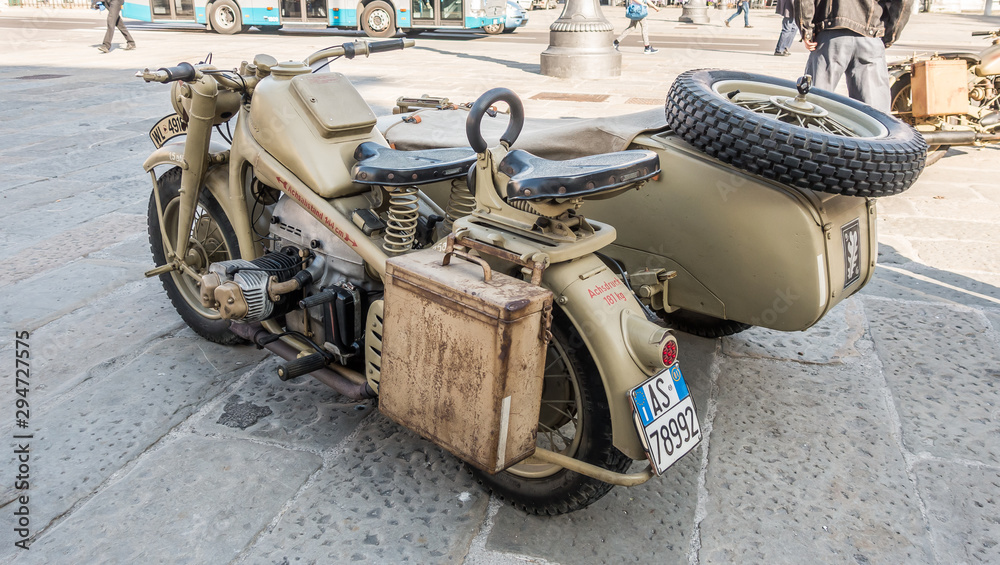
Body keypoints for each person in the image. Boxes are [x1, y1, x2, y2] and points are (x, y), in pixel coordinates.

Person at [795, 0, 914, 112]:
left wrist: (806, 29)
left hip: (830, 32)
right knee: (875, 112)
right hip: (870, 34)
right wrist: (890, 34)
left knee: (813, 103)